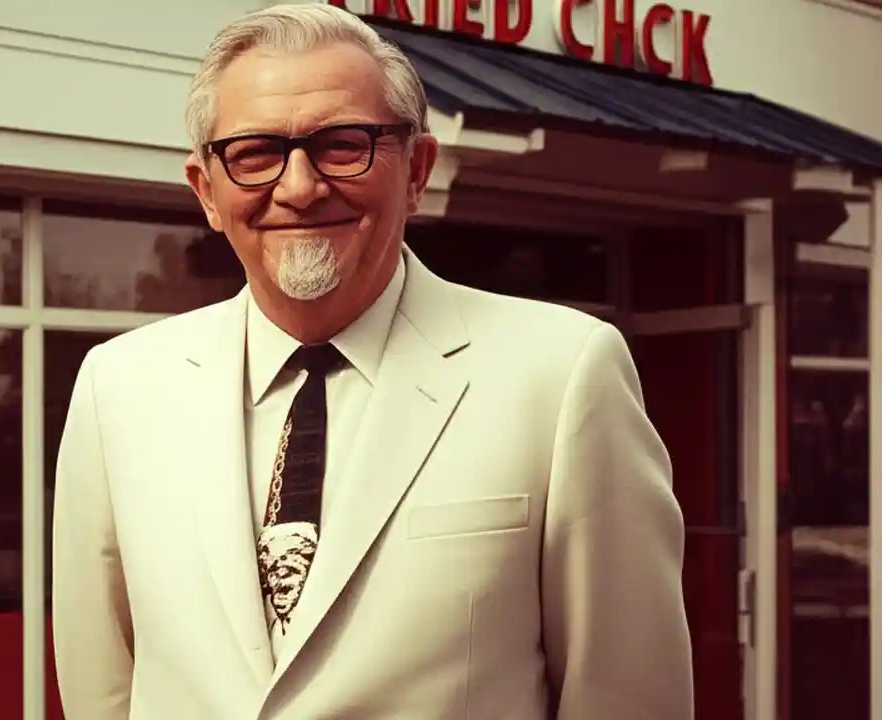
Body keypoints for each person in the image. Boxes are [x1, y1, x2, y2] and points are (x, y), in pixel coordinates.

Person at [51, 4, 694, 719]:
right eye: (255, 152)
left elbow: (629, 698)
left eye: (343, 144)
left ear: (416, 169)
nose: (299, 187)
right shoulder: (119, 389)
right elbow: (100, 689)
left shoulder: (563, 374)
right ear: (207, 190)